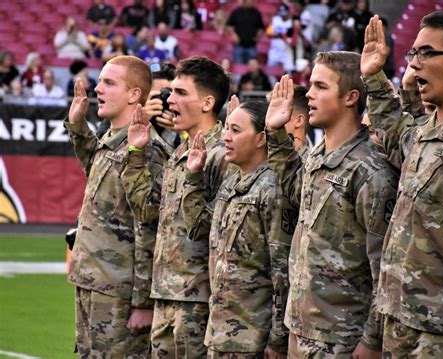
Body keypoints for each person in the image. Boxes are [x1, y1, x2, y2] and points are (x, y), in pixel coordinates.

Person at [265, 53, 398, 357]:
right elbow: (295, 188)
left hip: (341, 340)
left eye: (320, 86)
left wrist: (371, 340)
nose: (309, 94)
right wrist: (274, 132)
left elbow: (385, 268)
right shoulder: (318, 155)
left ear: (350, 97)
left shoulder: (370, 171)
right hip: (302, 329)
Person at [361, 13, 443, 357]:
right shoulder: (428, 132)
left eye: (426, 53)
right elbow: (395, 133)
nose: (415, 64)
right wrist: (373, 76)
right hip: (400, 324)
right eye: (412, 55)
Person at [126, 56, 231, 358]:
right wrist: (135, 152)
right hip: (166, 295)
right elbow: (148, 213)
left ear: (208, 102)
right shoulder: (180, 152)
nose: (169, 100)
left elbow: (217, 232)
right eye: (171, 92)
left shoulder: (224, 155)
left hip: (199, 300)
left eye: (180, 93)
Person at [65, 55, 166, 357]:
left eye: (109, 83)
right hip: (93, 282)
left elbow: (149, 226)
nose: (98, 89)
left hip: (119, 293)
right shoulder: (112, 140)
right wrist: (77, 125)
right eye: (100, 81)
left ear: (135, 95)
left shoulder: (146, 149)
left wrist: (143, 303)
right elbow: (97, 169)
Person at [182, 100, 291, 358]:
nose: (225, 137)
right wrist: (193, 178)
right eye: (226, 129)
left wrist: (278, 339)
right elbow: (197, 227)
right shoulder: (231, 184)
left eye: (236, 130)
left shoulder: (272, 189)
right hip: (221, 332)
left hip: (254, 336)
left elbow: (282, 268)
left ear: (261, 138)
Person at [226, 0, 265, 64]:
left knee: (252, 67)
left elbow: (261, 27)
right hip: (239, 45)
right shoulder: (236, 12)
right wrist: (234, 35)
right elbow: (229, 26)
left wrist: (258, 36)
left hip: (252, 45)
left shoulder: (256, 13)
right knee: (238, 67)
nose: (251, 2)